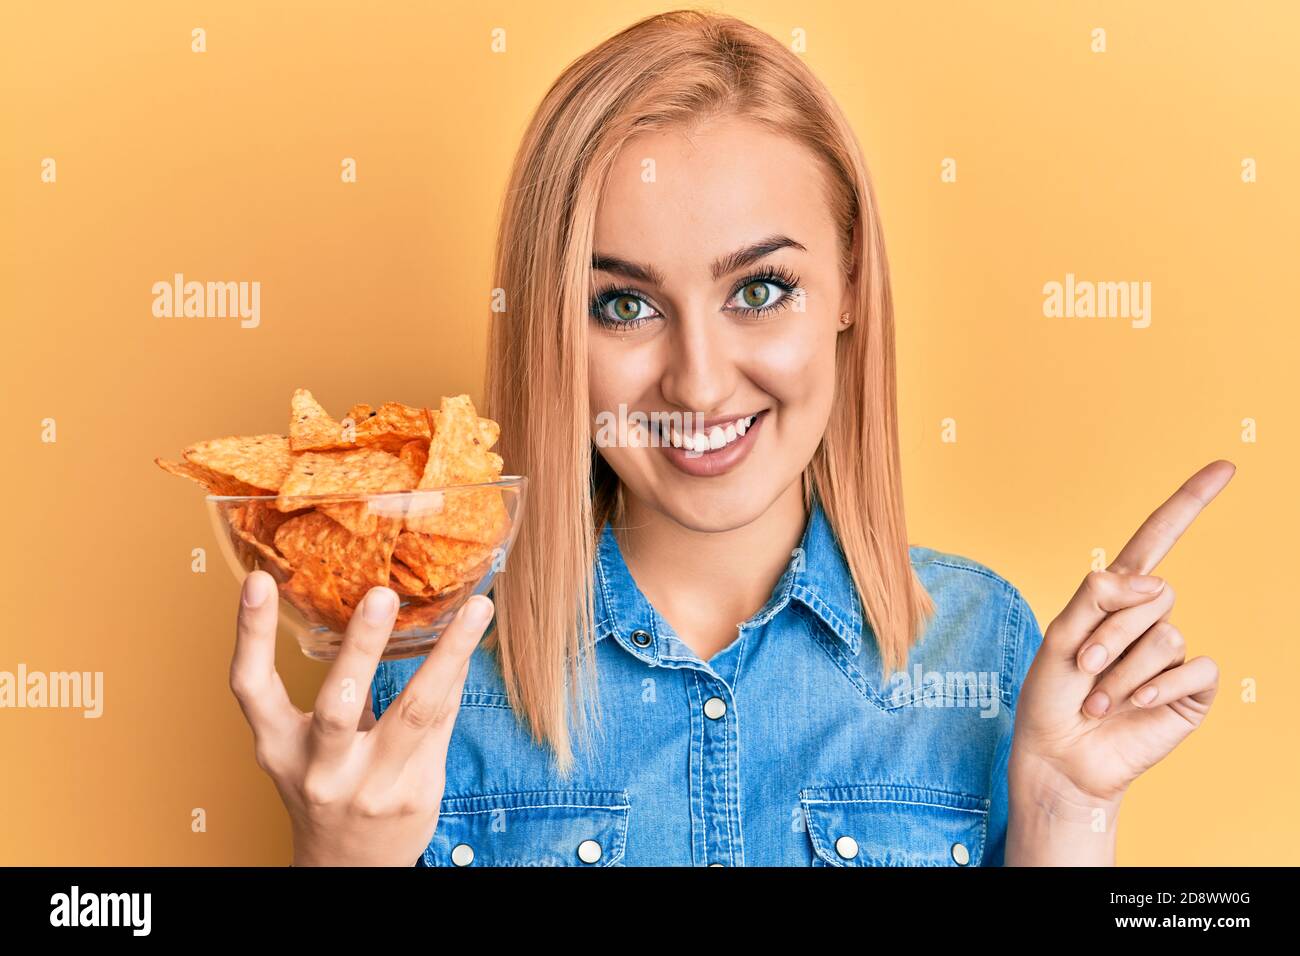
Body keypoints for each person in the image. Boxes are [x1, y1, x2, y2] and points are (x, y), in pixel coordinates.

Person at [229, 10, 1232, 866]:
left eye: (760, 289)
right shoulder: (428, 676)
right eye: (622, 305)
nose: (699, 380)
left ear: (846, 289)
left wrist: (1065, 815)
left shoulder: (987, 649)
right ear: (547, 327)